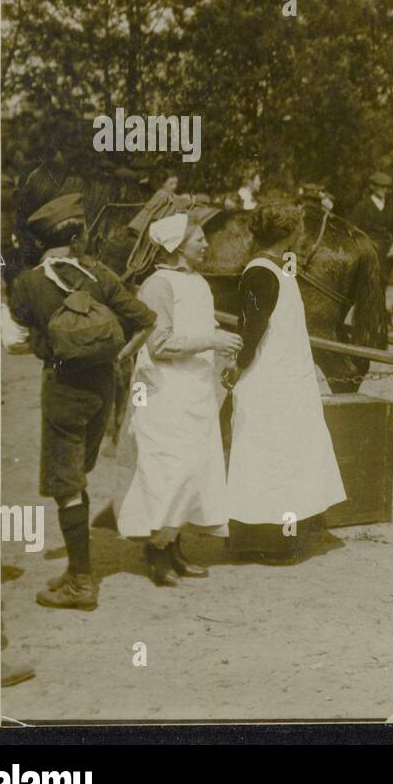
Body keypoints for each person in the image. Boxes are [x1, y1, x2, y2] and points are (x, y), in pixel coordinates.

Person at [5, 193, 157, 610]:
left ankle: (82, 584)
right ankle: (76, 569)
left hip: (64, 390)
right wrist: (118, 356)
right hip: (102, 390)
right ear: (78, 234)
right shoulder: (100, 274)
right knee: (79, 475)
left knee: (66, 484)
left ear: (40, 241)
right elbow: (146, 319)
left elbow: (15, 337)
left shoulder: (28, 283)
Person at [115, 213, 241, 585]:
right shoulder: (158, 285)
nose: (205, 244)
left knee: (192, 469)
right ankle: (156, 551)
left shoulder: (197, 281)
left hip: (194, 389)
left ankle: (174, 546)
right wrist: (213, 341)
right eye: (198, 239)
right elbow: (161, 344)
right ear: (177, 245)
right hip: (164, 389)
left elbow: (201, 326)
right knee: (169, 469)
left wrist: (224, 346)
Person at [222, 203, 346, 562]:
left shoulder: (267, 271)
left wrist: (236, 367)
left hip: (277, 377)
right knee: (275, 452)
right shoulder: (265, 272)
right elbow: (254, 329)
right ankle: (272, 537)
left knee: (270, 453)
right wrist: (240, 365)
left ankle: (268, 539)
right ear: (290, 235)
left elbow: (254, 328)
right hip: (274, 376)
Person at [348, 170, 393, 262]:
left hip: (388, 251)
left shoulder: (391, 206)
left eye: (386, 187)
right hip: (368, 249)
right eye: (381, 187)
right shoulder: (363, 206)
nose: (384, 190)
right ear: (373, 187)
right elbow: (353, 228)